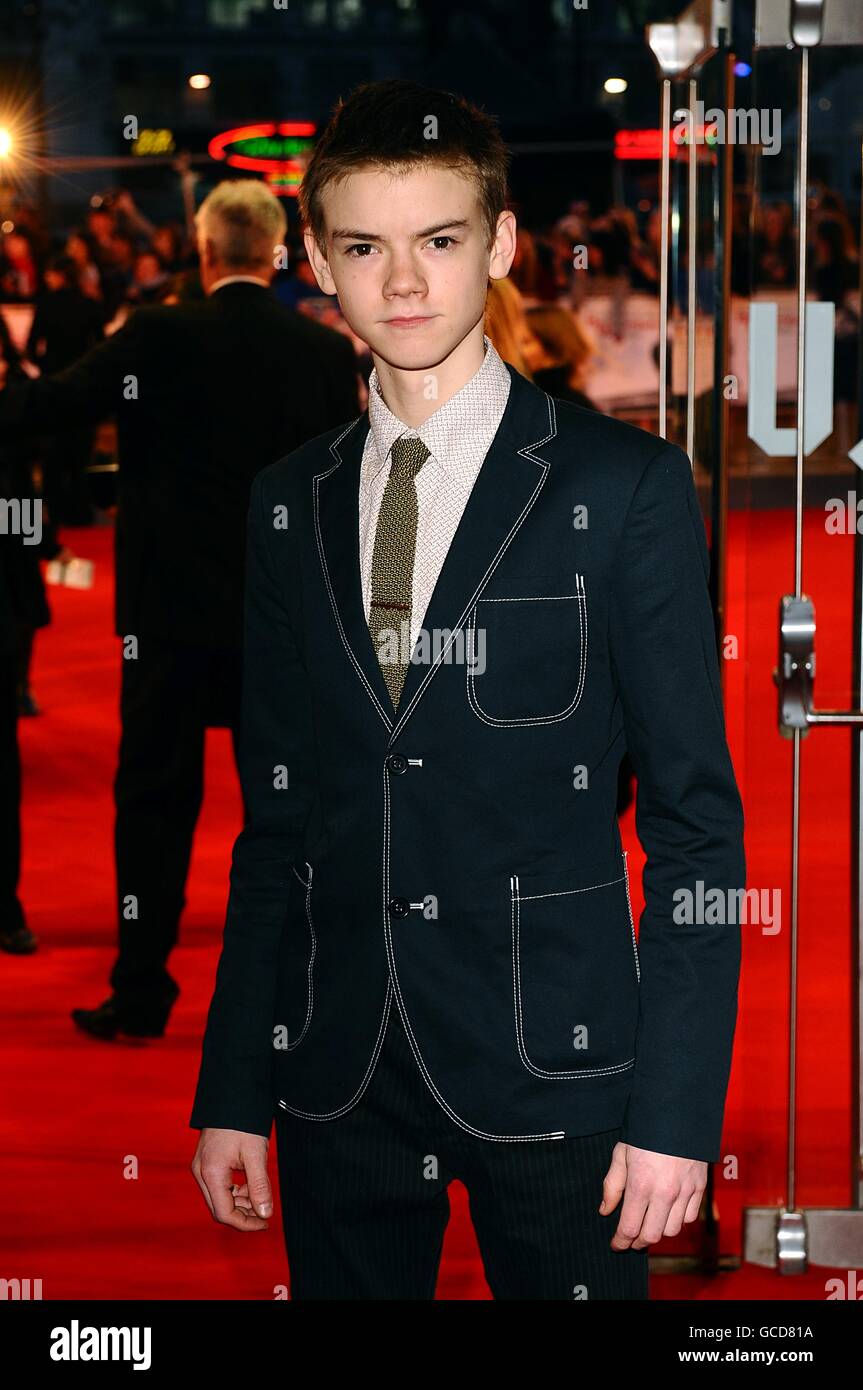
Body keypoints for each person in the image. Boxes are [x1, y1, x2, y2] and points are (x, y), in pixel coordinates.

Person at [189, 79, 745, 1301]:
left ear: (495, 243)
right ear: (314, 262)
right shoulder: (288, 502)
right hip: (338, 1080)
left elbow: (696, 828)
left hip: (560, 1076)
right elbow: (275, 821)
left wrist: (675, 1109)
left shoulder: (626, 487)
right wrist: (235, 1082)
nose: (401, 284)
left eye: (437, 241)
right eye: (363, 247)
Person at [0, 178, 360, 1037]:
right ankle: (299, 1000)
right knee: (286, 813)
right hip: (280, 622)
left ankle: (141, 990)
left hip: (166, 622)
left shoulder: (156, 335)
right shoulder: (319, 352)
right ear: (276, 252)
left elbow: (46, 410)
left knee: (155, 806)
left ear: (201, 253)